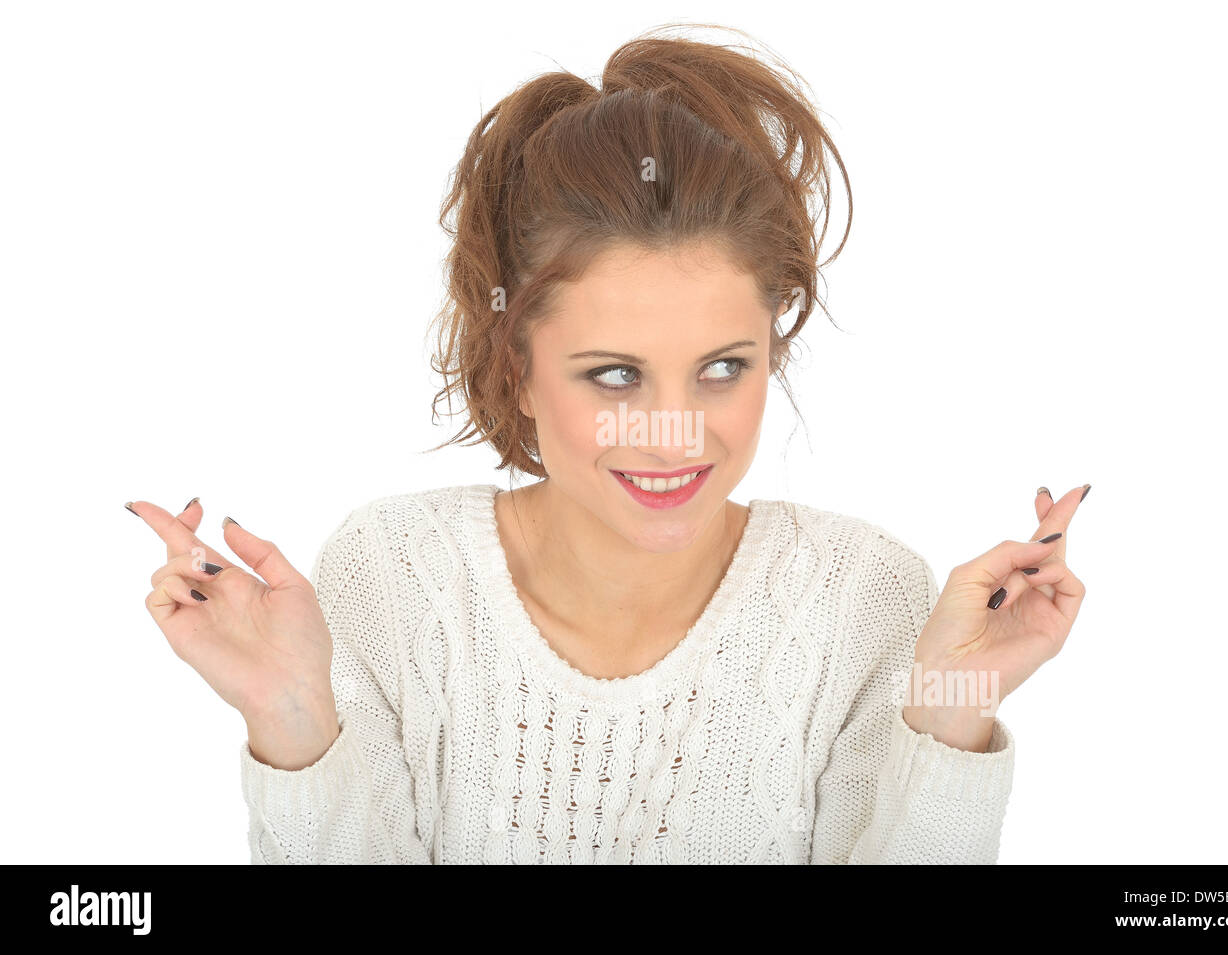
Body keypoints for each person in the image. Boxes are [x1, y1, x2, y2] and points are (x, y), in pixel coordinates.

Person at [126, 25, 1087, 864]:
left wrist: (957, 706)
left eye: (722, 368)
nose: (676, 430)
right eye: (616, 374)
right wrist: (292, 721)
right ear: (516, 367)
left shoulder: (858, 595)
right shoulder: (394, 577)